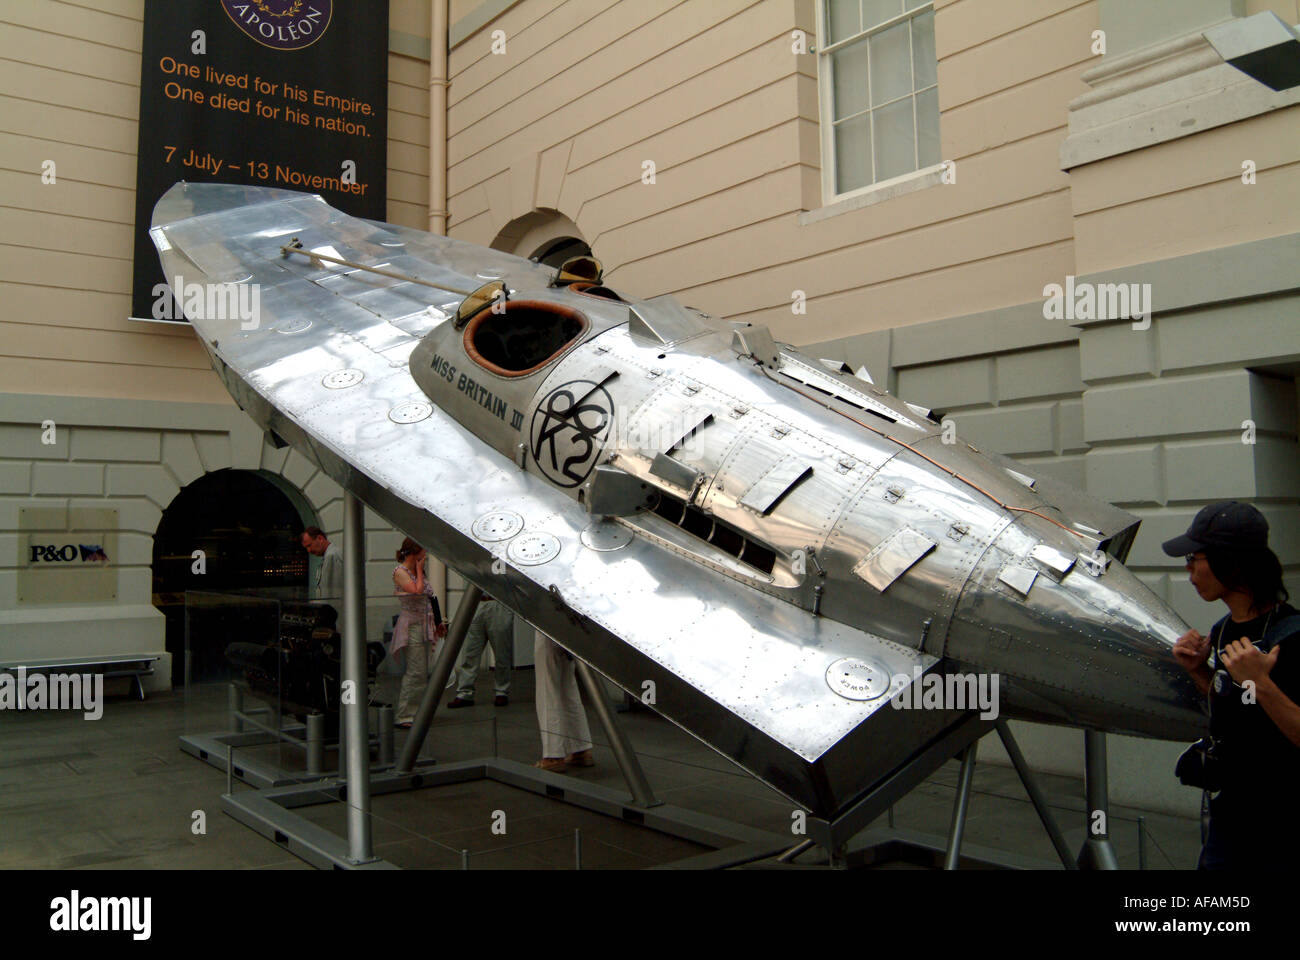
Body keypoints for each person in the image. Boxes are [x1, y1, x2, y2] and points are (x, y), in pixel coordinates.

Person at [1164, 500, 1300, 870]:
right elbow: (1239, 709)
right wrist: (1199, 672)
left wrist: (1262, 683)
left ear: (1233, 562)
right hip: (1232, 813)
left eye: (1195, 558)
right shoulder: (1223, 630)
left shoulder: (1292, 637)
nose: (1188, 569)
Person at [391, 538, 446, 727]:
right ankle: (405, 714)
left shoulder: (416, 572)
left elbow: (432, 596)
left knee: (422, 670)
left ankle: (416, 711)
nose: (426, 556)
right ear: (415, 552)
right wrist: (421, 571)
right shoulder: (401, 572)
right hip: (411, 625)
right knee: (415, 670)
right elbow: (416, 590)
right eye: (423, 552)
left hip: (424, 623)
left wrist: (439, 622)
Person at [532, 629, 594, 772]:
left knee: (547, 687)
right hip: (568, 627)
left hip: (547, 624)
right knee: (568, 688)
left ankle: (553, 756)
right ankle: (581, 749)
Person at [447, 598, 515, 707]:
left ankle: (501, 692)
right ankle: (465, 693)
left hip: (499, 602)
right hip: (477, 602)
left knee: (502, 653)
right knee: (470, 653)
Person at [300, 526, 343, 601]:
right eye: (306, 548)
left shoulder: (331, 556)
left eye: (309, 545)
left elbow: (332, 593)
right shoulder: (331, 555)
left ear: (320, 539)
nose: (309, 550)